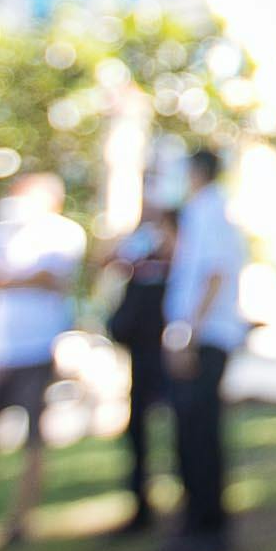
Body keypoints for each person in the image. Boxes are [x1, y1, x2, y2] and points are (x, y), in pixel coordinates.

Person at [0, 168, 86, 549]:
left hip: (36, 348)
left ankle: (21, 520)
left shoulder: (64, 234)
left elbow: (53, 280)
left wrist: (11, 278)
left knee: (33, 438)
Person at [160, 147, 247, 551]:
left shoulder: (208, 212)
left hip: (205, 337)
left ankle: (206, 528)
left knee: (199, 435)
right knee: (189, 433)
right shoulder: (202, 212)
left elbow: (213, 274)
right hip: (201, 335)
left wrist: (187, 334)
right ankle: (195, 522)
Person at [101, 202, 176, 534]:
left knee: (181, 428)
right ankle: (141, 504)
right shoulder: (138, 249)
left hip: (170, 352)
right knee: (139, 430)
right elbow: (106, 261)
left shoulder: (180, 257)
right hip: (142, 354)